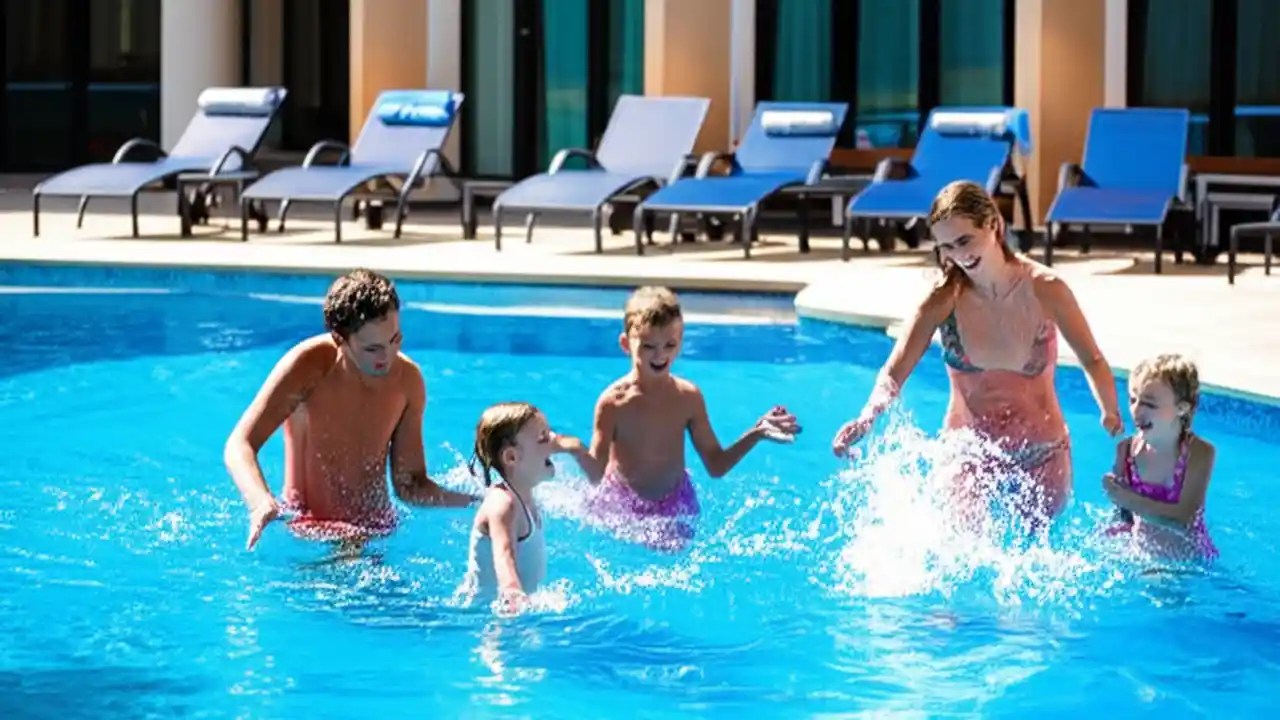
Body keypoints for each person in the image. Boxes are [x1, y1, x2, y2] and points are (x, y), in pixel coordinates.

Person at [831, 180, 1123, 522]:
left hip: (1042, 452)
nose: (959, 255)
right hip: (968, 452)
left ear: (993, 225)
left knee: (1032, 563)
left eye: (965, 240)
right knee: (961, 549)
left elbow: (1092, 358)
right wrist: (868, 414)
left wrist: (1109, 410)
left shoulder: (1046, 289)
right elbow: (895, 371)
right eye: (947, 246)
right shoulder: (943, 300)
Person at [224, 268, 474, 552]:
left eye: (395, 340)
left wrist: (475, 501)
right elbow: (239, 444)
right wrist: (260, 502)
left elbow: (410, 485)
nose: (387, 356)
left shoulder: (408, 381)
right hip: (312, 532)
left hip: (378, 532)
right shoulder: (308, 367)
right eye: (373, 348)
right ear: (340, 338)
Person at [559, 286, 800, 550]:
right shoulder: (613, 403)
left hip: (675, 503)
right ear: (626, 344)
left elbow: (716, 465)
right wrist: (573, 447)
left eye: (669, 345)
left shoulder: (688, 397)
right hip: (624, 503)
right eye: (648, 346)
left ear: (681, 341)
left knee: (674, 556)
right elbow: (596, 474)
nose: (660, 355)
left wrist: (757, 432)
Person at [461, 402, 581, 611]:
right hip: (489, 617)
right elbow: (504, 552)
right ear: (512, 457)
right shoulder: (503, 504)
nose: (554, 441)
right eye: (542, 437)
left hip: (519, 612)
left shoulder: (528, 496)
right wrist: (512, 591)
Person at [1103, 354, 1217, 560]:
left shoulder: (1198, 453)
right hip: (1142, 555)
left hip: (1186, 562)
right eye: (1133, 399)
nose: (1136, 410)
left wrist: (1128, 499)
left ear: (1182, 408)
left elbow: (1184, 516)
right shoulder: (1126, 451)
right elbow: (1123, 516)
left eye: (1149, 404)